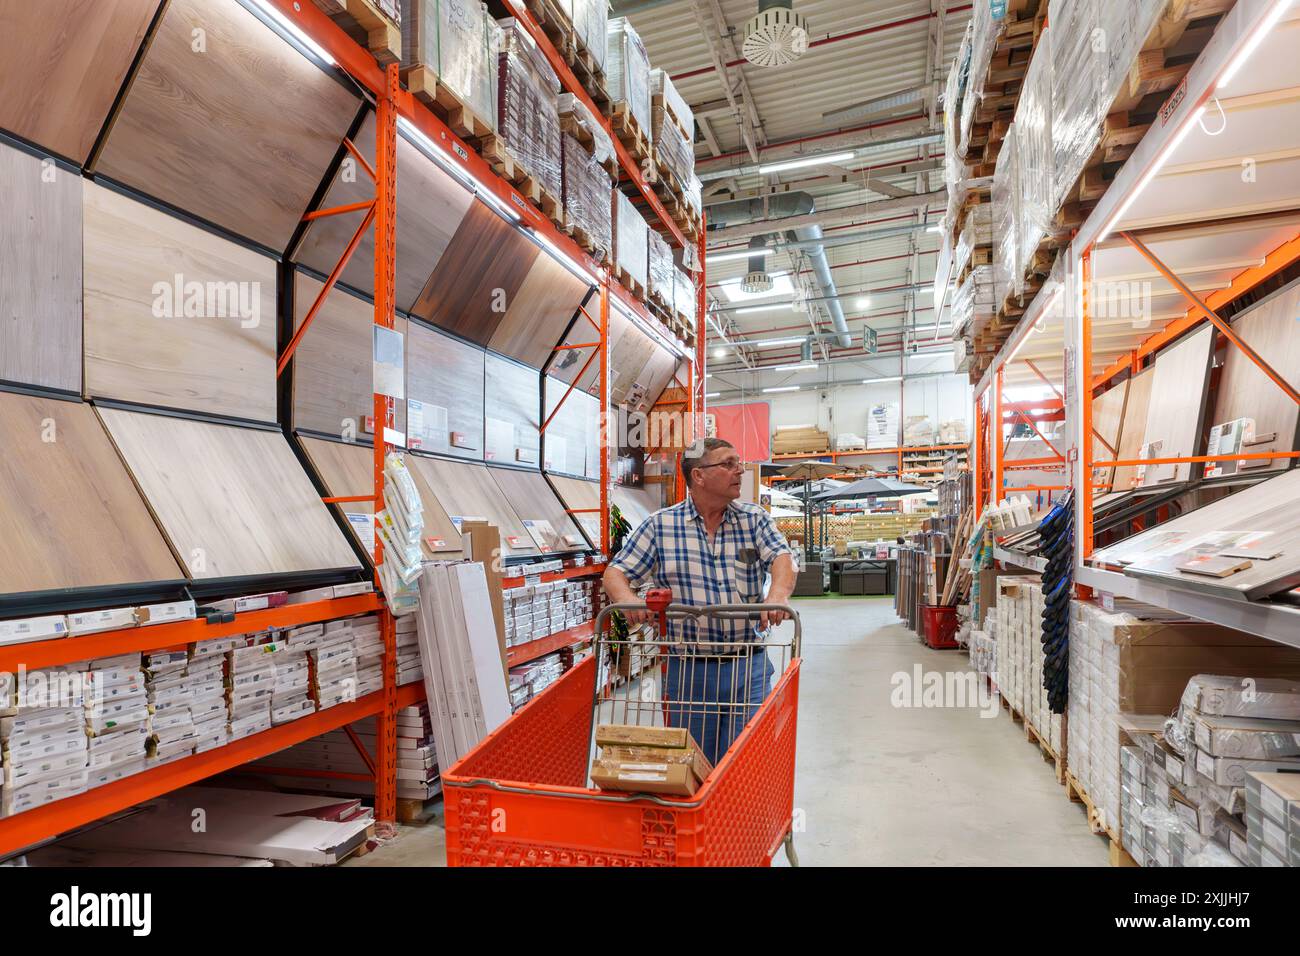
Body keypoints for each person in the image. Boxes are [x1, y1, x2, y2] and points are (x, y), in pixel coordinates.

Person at [602, 438, 796, 765]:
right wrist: (628, 600)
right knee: (692, 764)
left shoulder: (754, 519)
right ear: (699, 476)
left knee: (744, 763)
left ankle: (736, 818)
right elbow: (616, 572)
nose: (740, 470)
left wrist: (776, 595)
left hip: (747, 665)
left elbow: (783, 558)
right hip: (688, 670)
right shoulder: (660, 526)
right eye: (728, 463)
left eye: (739, 462)